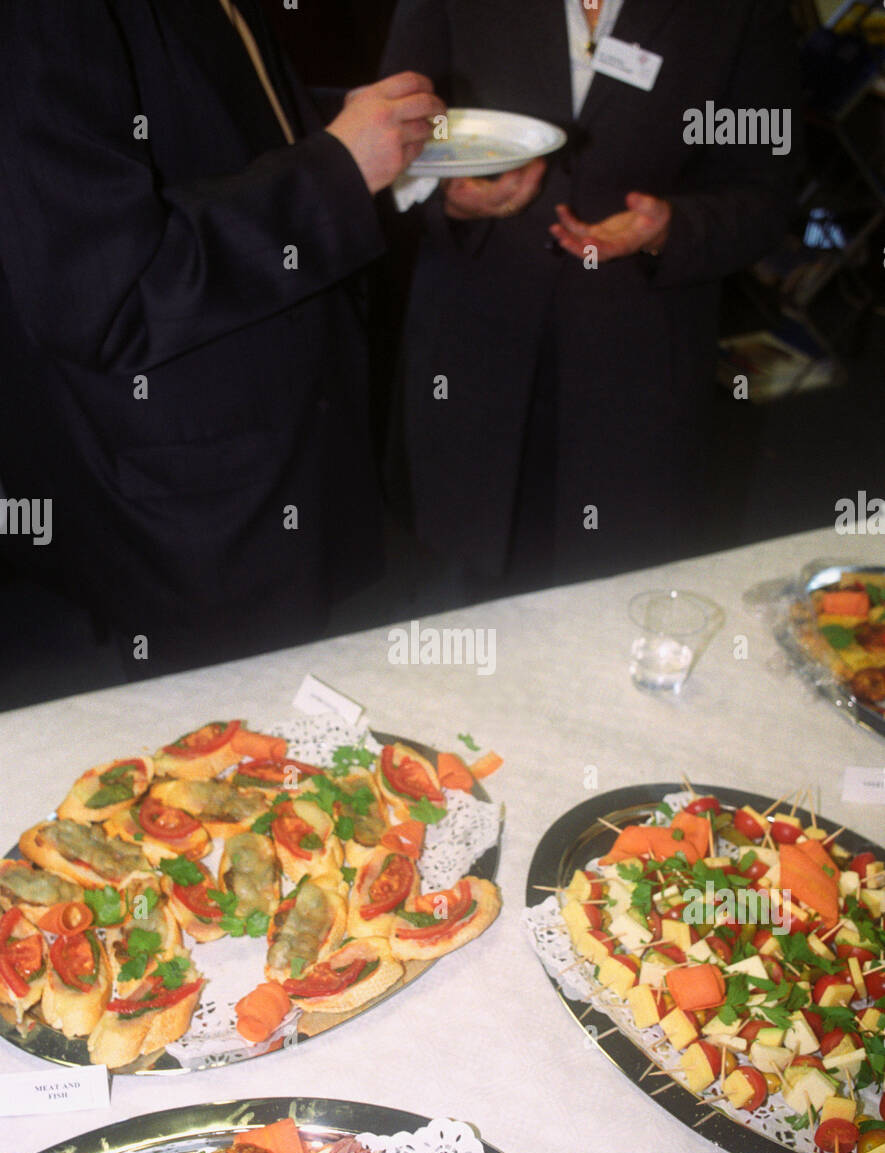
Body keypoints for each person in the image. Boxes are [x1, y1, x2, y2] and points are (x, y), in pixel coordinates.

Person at [0, 1, 442, 673]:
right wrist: (338, 170)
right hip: (177, 517)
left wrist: (390, 149)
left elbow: (211, 128)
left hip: (278, 479)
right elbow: (107, 292)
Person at [381, 0, 802, 594]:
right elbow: (385, 142)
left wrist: (672, 230)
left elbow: (765, 191)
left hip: (639, 364)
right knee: (461, 615)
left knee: (617, 603)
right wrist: (443, 200)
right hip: (474, 348)